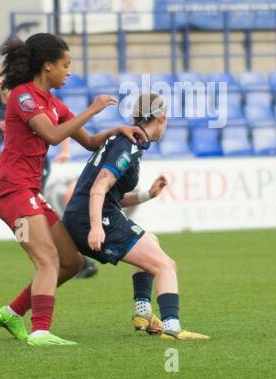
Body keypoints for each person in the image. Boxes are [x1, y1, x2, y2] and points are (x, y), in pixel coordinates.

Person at [0, 33, 142, 346]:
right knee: (47, 258)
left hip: (30, 193)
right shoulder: (23, 96)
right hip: (11, 192)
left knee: (71, 262)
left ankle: (12, 312)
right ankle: (40, 331)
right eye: (66, 65)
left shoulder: (54, 104)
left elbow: (90, 142)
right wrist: (92, 109)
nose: (69, 72)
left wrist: (117, 130)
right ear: (48, 66)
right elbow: (54, 135)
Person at [62, 93, 208, 341]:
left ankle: (143, 314)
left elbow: (111, 196)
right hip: (93, 219)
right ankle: (172, 328)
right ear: (161, 118)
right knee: (165, 265)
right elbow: (99, 186)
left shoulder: (127, 141)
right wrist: (96, 227)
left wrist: (148, 194)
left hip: (86, 215)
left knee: (151, 241)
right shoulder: (128, 145)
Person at [0, 59, 98, 278]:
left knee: (34, 208)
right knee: (31, 212)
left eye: (1, 75)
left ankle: (60, 253)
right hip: (14, 169)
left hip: (34, 168)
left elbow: (59, 128)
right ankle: (54, 253)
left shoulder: (26, 99)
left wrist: (66, 150)